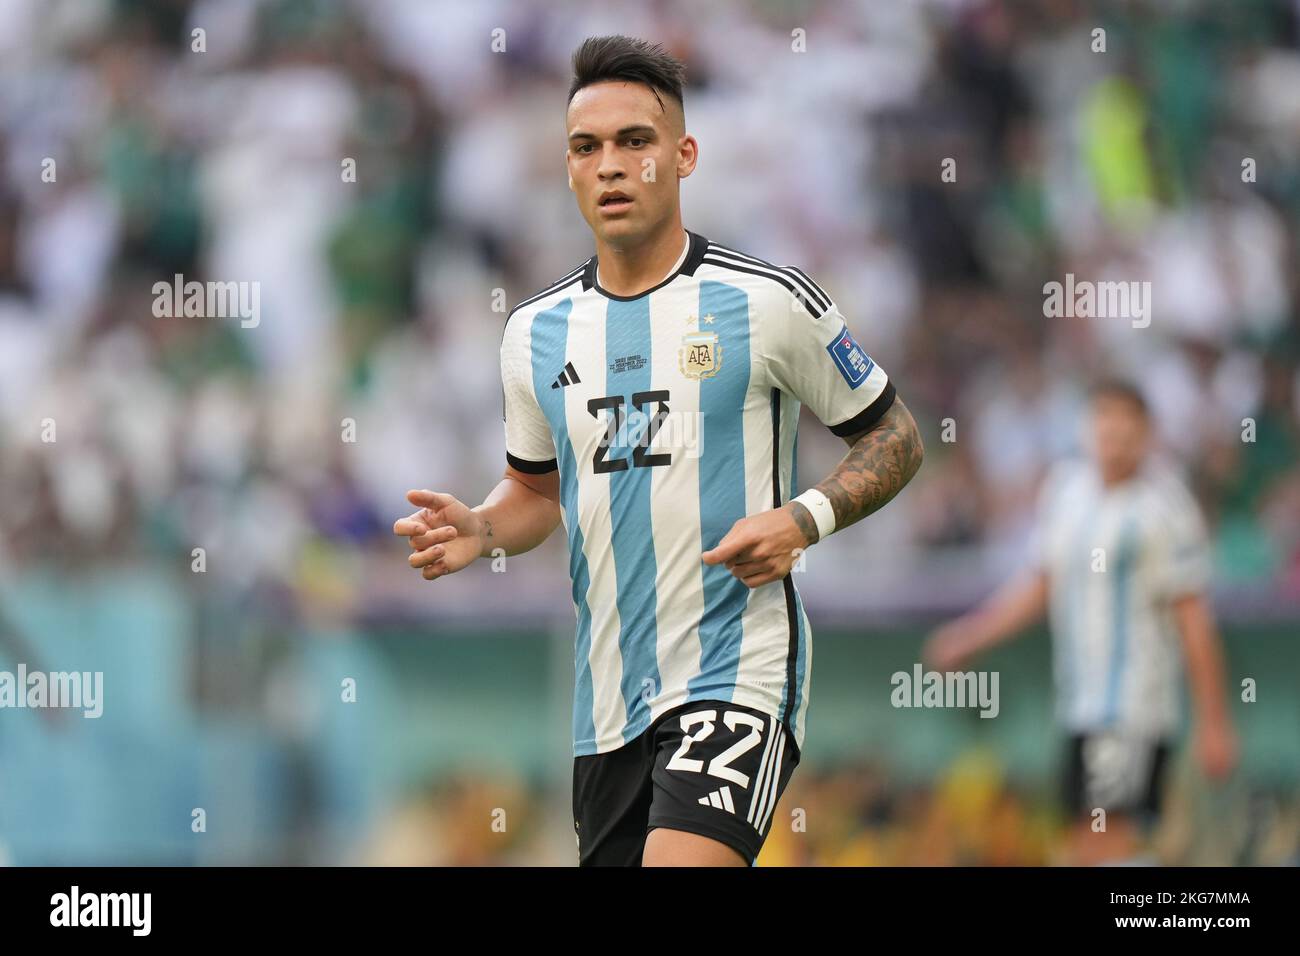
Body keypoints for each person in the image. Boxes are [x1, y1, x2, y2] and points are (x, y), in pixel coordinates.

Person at [394, 35, 923, 866]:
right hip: (606, 708)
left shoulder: (767, 301)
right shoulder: (534, 334)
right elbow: (534, 495)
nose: (609, 165)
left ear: (683, 156)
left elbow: (894, 436)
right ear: (566, 168)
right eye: (586, 147)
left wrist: (803, 518)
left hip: (734, 677)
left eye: (634, 142)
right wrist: (485, 529)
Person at [924, 379, 1237, 864]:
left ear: (1147, 431)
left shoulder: (1165, 507)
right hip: (1079, 703)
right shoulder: (1067, 491)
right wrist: (971, 635)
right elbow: (1040, 585)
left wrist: (1214, 723)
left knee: (1106, 841)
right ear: (1087, 425)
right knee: (1084, 843)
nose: (1114, 431)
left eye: (1126, 420)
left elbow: (1194, 619)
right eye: (1104, 417)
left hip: (1132, 706)